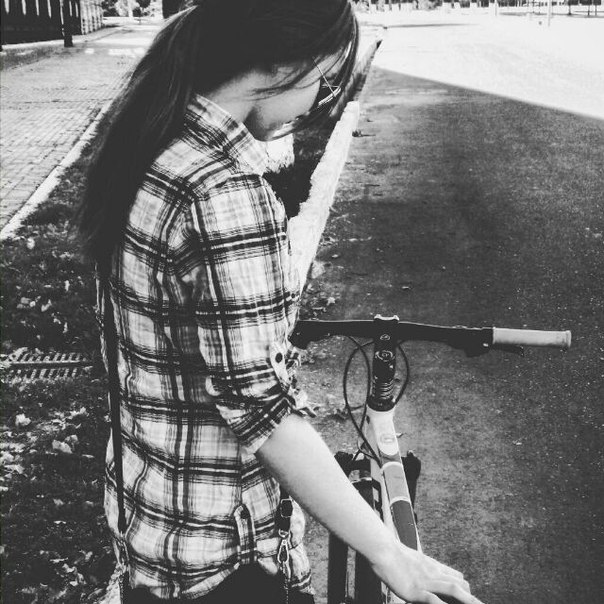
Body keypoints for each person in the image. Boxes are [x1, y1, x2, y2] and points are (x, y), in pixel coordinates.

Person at [77, 1, 484, 602]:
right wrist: (389, 552)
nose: (319, 99)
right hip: (225, 564)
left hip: (153, 529)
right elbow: (262, 412)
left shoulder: (151, 146)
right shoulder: (223, 193)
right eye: (323, 80)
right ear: (281, 62)